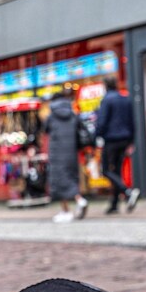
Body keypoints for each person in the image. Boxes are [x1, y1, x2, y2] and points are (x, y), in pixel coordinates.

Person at [95, 75, 141, 214]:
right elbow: (132, 121)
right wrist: (132, 140)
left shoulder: (107, 100)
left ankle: (127, 192)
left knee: (106, 170)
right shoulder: (125, 99)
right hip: (125, 139)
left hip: (111, 140)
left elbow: (101, 122)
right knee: (116, 171)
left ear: (105, 86)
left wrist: (97, 136)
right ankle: (114, 204)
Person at [43, 86, 88, 223]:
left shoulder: (51, 116)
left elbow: (45, 130)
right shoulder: (73, 114)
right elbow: (82, 131)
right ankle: (76, 203)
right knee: (71, 178)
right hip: (72, 152)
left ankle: (68, 209)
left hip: (57, 153)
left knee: (59, 182)